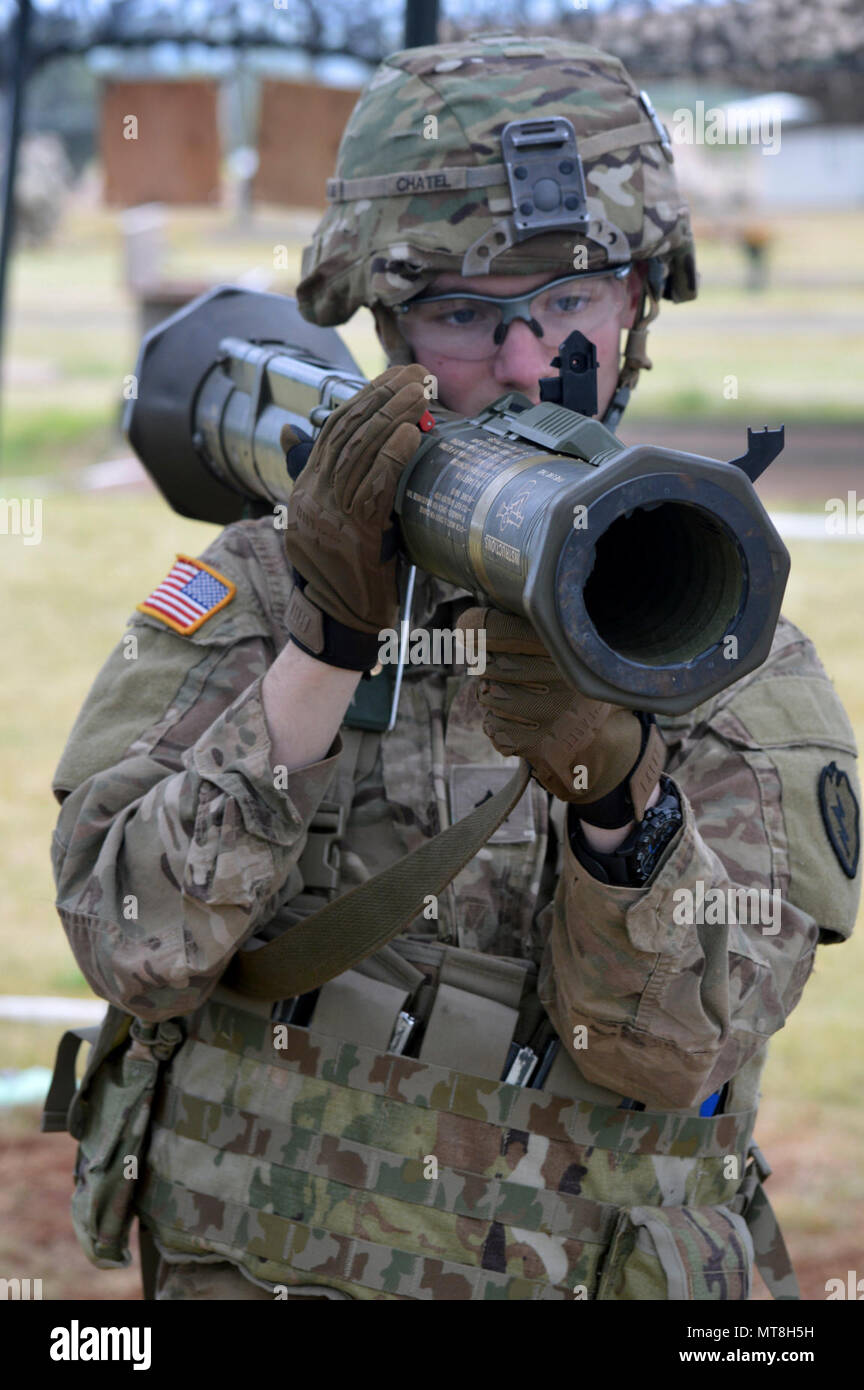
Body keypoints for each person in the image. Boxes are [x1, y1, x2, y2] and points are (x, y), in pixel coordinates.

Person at [49, 34, 860, 1302]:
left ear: (639, 301)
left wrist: (614, 796)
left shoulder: (714, 632)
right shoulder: (261, 587)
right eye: (469, 315)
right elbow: (131, 942)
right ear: (383, 319)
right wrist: (322, 646)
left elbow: (681, 1047)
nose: (533, 364)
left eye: (573, 300)